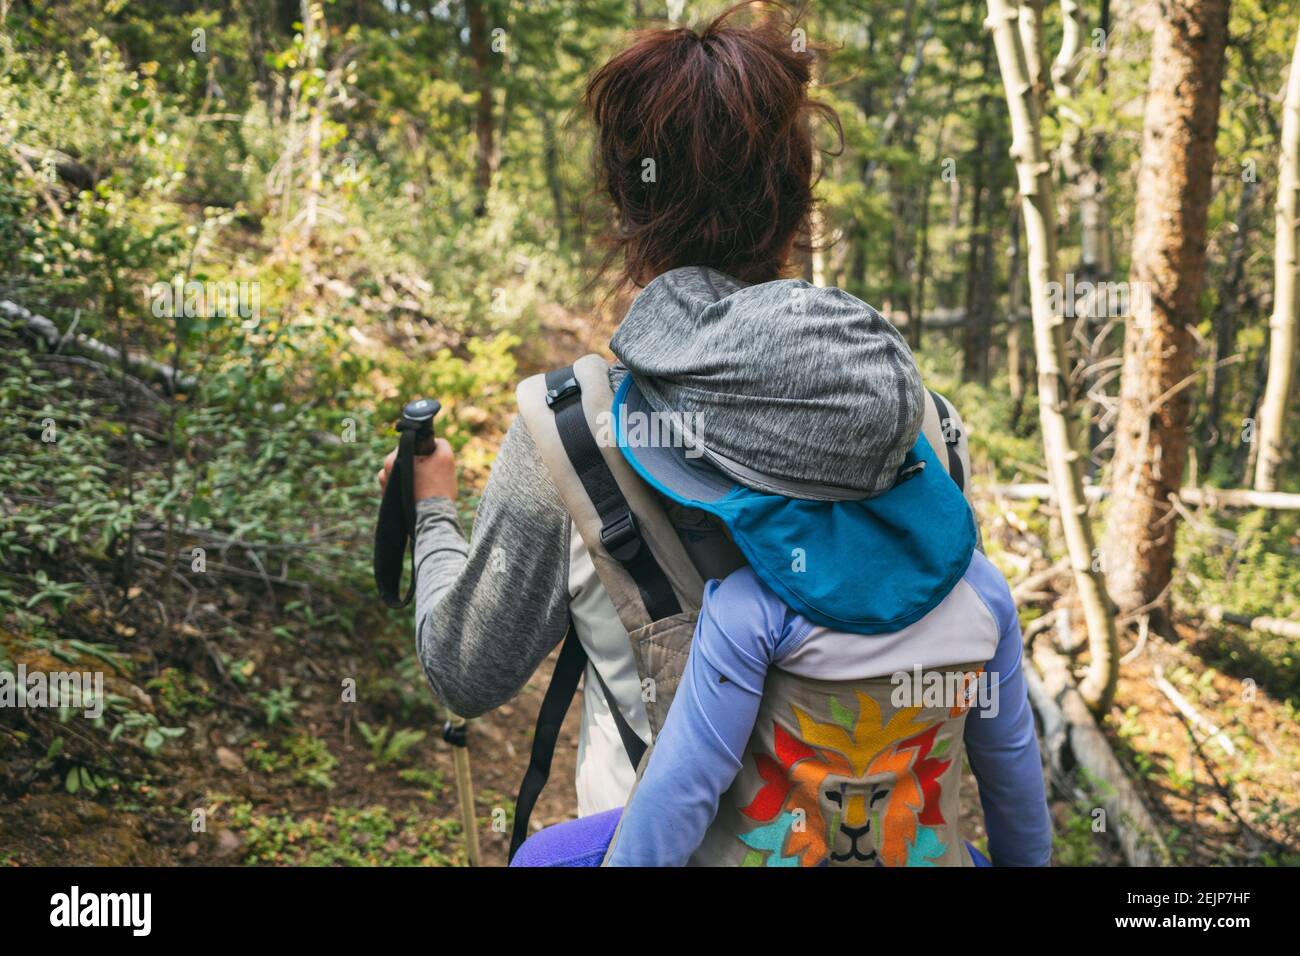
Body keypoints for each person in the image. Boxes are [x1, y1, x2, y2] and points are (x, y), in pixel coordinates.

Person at [374, 4, 1026, 847]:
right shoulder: (922, 431)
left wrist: (431, 513)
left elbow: (465, 669)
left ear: (625, 199)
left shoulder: (570, 435)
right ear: (797, 198)